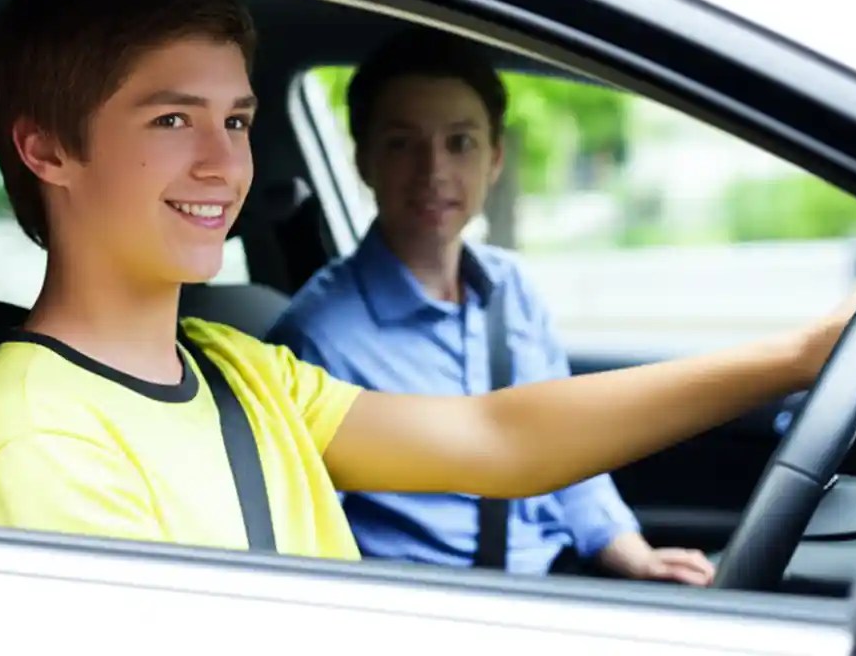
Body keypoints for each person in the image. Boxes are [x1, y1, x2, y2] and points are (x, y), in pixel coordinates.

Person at [0, 0, 856, 565]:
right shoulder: (37, 433)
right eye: (172, 119)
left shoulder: (233, 367)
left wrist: (803, 352)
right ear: (46, 150)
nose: (225, 164)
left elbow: (493, 438)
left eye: (239, 120)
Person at [267, 29, 714, 585]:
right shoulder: (316, 337)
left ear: (495, 159)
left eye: (460, 143)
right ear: (364, 160)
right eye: (403, 144)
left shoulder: (513, 288)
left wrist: (630, 551)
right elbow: (306, 537)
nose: (433, 172)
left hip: (555, 582)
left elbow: (568, 446)